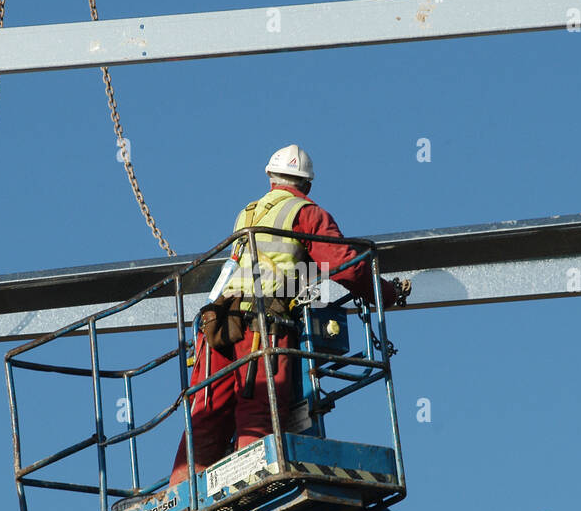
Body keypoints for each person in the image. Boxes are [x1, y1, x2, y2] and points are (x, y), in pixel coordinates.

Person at [168, 143, 408, 487]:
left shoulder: (248, 213)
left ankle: (181, 490)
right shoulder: (307, 212)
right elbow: (347, 267)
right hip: (261, 322)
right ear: (307, 184)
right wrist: (387, 294)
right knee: (259, 405)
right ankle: (251, 482)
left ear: (270, 178)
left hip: (218, 321)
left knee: (208, 409)